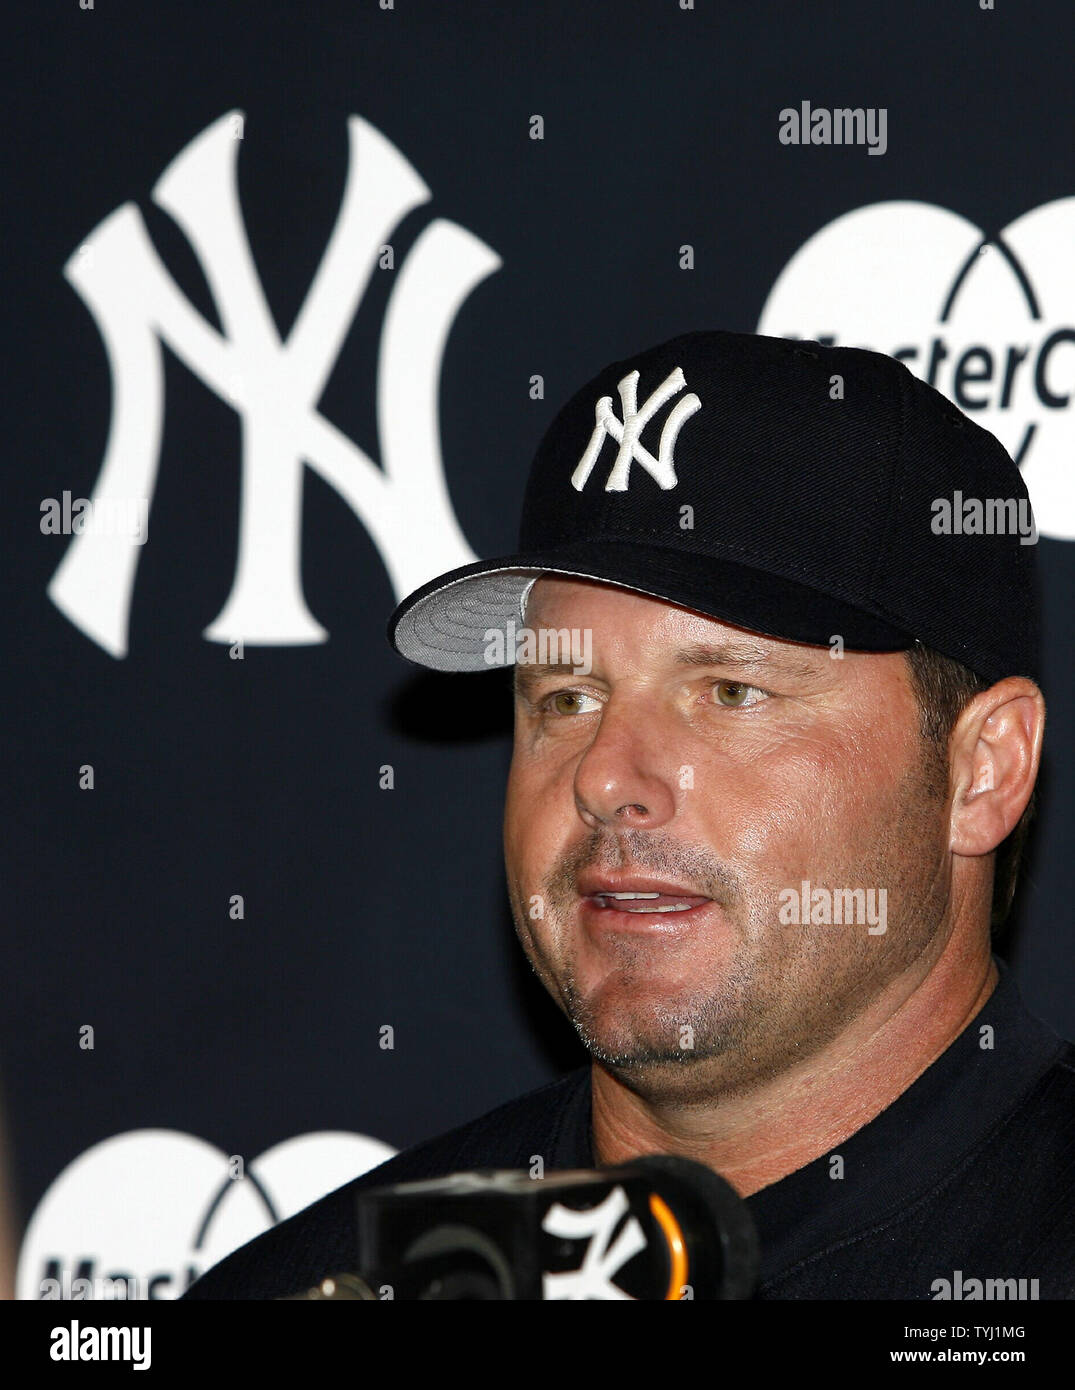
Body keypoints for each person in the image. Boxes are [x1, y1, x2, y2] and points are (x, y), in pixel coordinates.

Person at [184, 329, 1074, 1300]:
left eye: (731, 691)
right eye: (566, 697)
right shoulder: (322, 1283)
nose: (605, 778)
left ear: (983, 771)